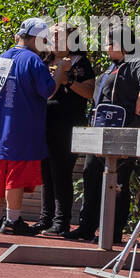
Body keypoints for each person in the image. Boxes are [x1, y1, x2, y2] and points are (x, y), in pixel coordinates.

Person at [69, 26, 140, 244]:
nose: (106, 48)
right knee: (91, 176)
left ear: (121, 46)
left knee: (118, 183)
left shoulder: (136, 63)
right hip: (100, 132)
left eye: (109, 44)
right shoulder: (113, 67)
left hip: (122, 134)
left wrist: (139, 103)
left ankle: (114, 231)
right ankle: (86, 227)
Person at [0, 18, 58, 235]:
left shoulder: (0, 59)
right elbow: (48, 90)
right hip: (22, 128)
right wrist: (59, 73)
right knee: (15, 176)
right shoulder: (33, 61)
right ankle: (13, 220)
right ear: (37, 38)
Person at [37, 23, 95, 236]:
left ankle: (61, 222)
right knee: (46, 173)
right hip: (45, 122)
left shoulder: (81, 62)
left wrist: (68, 81)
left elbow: (90, 92)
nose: (53, 39)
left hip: (68, 123)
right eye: (51, 35)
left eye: (58, 36)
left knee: (60, 172)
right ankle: (45, 218)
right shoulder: (44, 60)